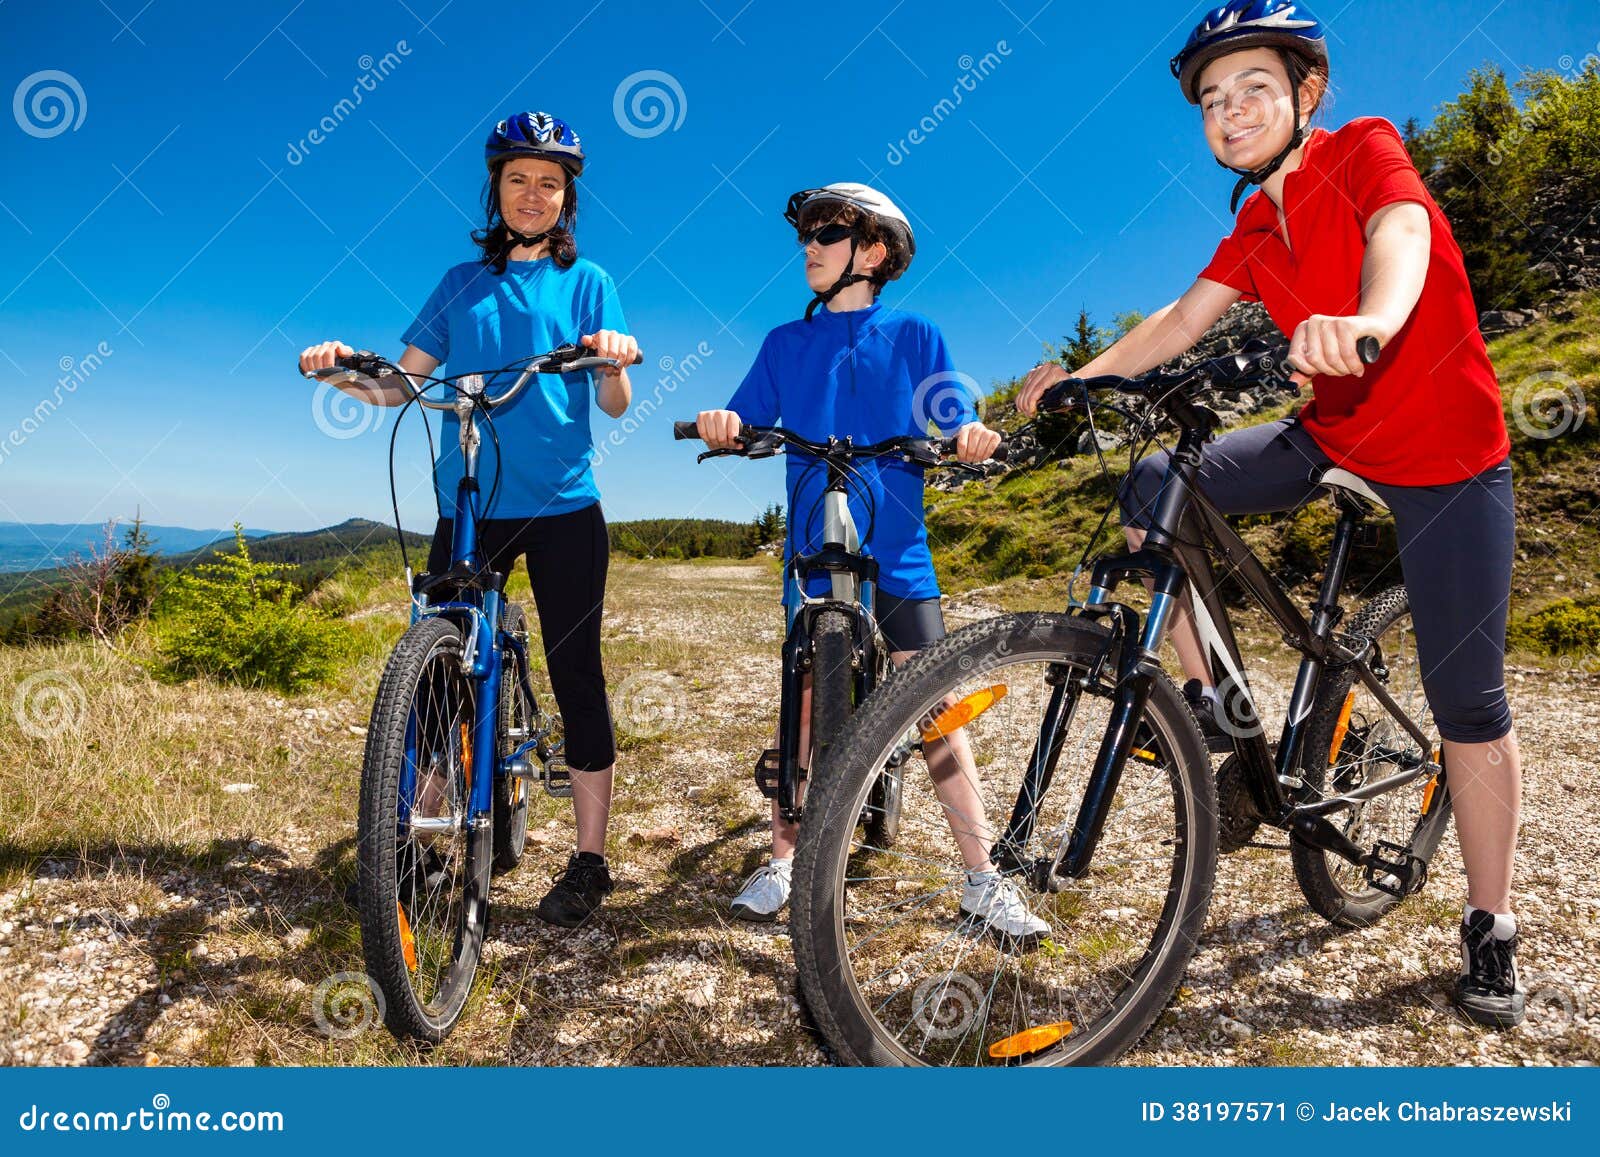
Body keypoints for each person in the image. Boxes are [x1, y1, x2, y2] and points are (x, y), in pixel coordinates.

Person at [1016, 0, 1525, 1027]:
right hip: (1332, 432)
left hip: (1449, 458)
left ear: (1306, 93)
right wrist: (1085, 373)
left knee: (1465, 699)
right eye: (1210, 96)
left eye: (1253, 86)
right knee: (1157, 482)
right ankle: (1218, 710)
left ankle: (1491, 921)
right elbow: (1182, 316)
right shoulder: (1254, 221)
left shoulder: (1362, 152)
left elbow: (1402, 229)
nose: (1229, 108)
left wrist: (1373, 320)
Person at [299, 110, 640, 928]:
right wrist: (338, 369)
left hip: (563, 505)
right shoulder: (459, 284)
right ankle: (422, 832)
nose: (533, 194)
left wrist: (614, 355)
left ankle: (590, 860)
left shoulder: (588, 281)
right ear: (497, 188)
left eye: (549, 183)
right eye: (519, 179)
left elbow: (616, 400)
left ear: (566, 200)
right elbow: (399, 385)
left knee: (576, 674)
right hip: (470, 504)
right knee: (437, 676)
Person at [694, 183, 1045, 939]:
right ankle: (786, 859)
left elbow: (956, 417)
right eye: (806, 235)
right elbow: (745, 416)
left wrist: (972, 435)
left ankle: (982, 877)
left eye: (826, 233)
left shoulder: (917, 334)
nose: (808, 247)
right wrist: (725, 425)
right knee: (806, 696)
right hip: (816, 548)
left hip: (898, 550)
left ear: (874, 252)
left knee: (934, 703)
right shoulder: (785, 343)